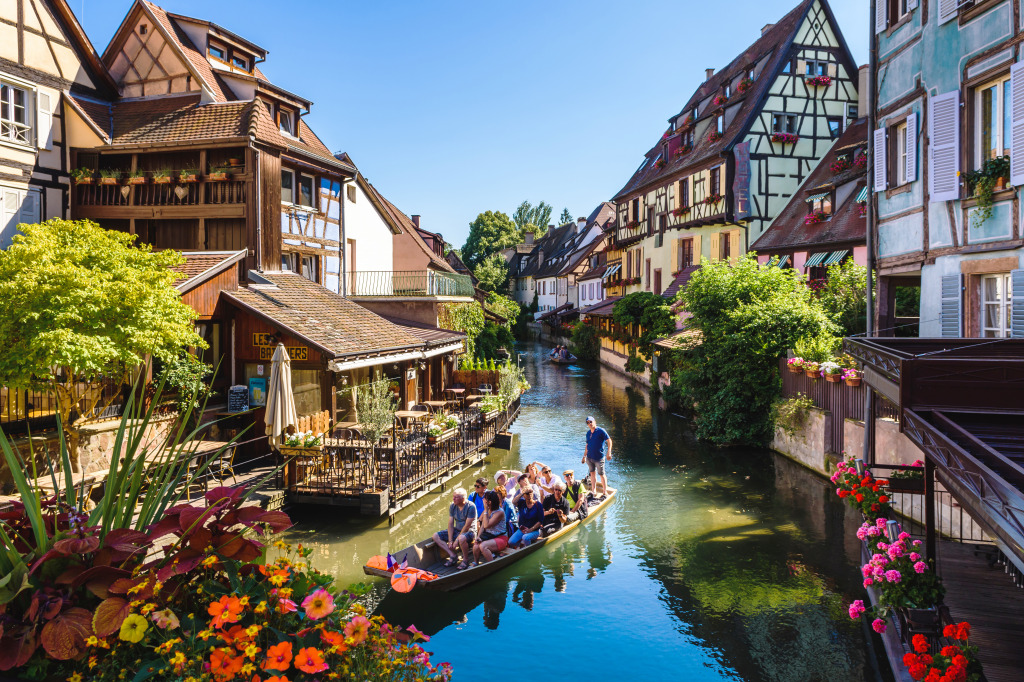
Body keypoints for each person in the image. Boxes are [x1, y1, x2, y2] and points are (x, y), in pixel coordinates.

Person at [431, 487, 478, 569]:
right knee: (435, 536)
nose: (453, 499)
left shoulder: (471, 506)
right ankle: (452, 555)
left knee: (461, 538)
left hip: (470, 532)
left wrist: (456, 540)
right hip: (457, 530)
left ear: (463, 498)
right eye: (453, 496)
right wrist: (450, 540)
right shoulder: (453, 506)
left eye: (456, 497)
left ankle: (465, 560)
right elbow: (450, 523)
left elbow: (467, 526)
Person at [473, 490, 508, 564]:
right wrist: (478, 537)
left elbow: (486, 525)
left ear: (489, 502)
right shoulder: (487, 510)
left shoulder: (499, 512)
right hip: (489, 536)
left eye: (485, 498)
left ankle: (492, 564)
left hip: (500, 537)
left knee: (483, 546)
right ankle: (476, 563)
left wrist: (485, 510)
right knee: (476, 545)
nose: (483, 499)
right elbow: (483, 525)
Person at [581, 415, 612, 497]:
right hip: (589, 458)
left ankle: (605, 491)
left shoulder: (601, 431)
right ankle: (593, 490)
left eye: (591, 422)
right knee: (592, 474)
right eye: (588, 423)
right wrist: (584, 456)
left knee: (601, 474)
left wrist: (609, 452)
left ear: (594, 421)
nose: (589, 424)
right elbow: (587, 445)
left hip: (599, 458)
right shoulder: (588, 433)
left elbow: (609, 441)